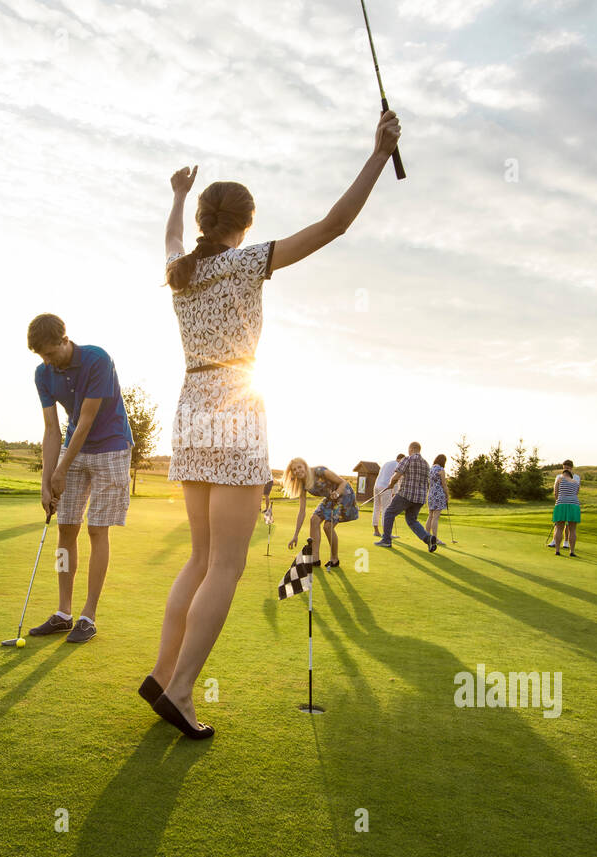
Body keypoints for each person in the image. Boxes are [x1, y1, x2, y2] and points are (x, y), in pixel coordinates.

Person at [141, 109, 402, 740]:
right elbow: (335, 225)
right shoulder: (245, 261)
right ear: (246, 224)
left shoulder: (182, 272)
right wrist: (377, 153)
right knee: (226, 564)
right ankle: (179, 691)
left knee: (200, 557)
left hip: (192, 406)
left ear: (205, 219)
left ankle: (162, 674)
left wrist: (175, 195)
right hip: (235, 406)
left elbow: (170, 240)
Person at [26, 313, 134, 645]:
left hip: (111, 448)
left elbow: (85, 420)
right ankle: (63, 612)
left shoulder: (97, 359)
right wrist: (47, 482)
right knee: (65, 529)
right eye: (42, 356)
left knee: (96, 530)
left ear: (64, 339)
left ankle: (88, 615)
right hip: (73, 449)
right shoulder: (43, 373)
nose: (49, 362)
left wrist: (60, 471)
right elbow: (51, 429)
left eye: (51, 353)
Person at [283, 459, 358, 568]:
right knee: (314, 520)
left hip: (344, 494)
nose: (298, 471)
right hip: (330, 498)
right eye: (294, 469)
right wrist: (295, 535)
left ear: (304, 466)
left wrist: (337, 493)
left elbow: (343, 482)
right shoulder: (302, 484)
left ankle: (334, 559)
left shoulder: (319, 471)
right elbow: (302, 511)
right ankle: (315, 559)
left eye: (299, 467)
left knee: (328, 526)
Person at [375, 441, 436, 551]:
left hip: (406, 494)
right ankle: (428, 539)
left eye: (409, 450)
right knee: (411, 520)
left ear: (411, 449)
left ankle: (386, 540)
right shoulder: (426, 463)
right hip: (420, 498)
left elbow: (396, 476)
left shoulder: (407, 459)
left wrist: (391, 485)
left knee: (389, 513)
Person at [552, 459, 581, 557]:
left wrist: (558, 501)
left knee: (559, 528)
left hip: (561, 504)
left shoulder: (559, 479)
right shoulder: (575, 481)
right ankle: (572, 551)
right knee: (572, 530)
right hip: (574, 505)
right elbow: (576, 493)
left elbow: (555, 492)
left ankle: (557, 550)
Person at [371, 453, 404, 535]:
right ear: (400, 459)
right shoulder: (398, 465)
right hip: (386, 487)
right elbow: (397, 479)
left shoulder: (387, 463)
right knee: (386, 509)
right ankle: (386, 533)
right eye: (403, 460)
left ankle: (376, 531)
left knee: (377, 508)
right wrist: (395, 492)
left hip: (376, 486)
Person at [425, 452, 450, 547]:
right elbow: (444, 484)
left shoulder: (430, 469)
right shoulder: (441, 470)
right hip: (438, 495)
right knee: (435, 517)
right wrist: (447, 495)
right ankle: (434, 539)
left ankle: (427, 536)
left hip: (430, 494)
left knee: (430, 515)